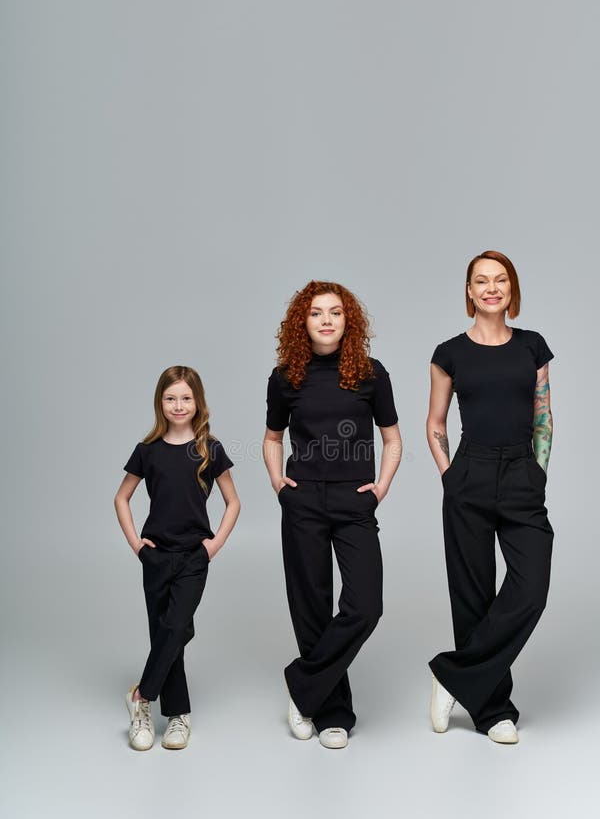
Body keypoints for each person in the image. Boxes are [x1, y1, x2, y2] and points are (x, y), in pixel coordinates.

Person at [263, 280, 402, 749]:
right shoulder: (286, 377)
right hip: (303, 501)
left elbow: (392, 438)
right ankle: (331, 712)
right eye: (317, 312)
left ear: (349, 321)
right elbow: (271, 438)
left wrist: (379, 487)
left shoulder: (371, 374)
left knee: (366, 604)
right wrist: (279, 483)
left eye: (336, 312)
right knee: (311, 605)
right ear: (302, 322)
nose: (326, 319)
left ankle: (302, 685)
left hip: (353, 500)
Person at [426, 251, 554, 744]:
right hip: (469, 472)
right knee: (473, 596)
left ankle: (451, 673)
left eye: (500, 280)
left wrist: (537, 473)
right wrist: (450, 476)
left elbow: (543, 416)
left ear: (511, 289)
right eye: (481, 281)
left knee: (531, 587)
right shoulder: (449, 353)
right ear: (469, 292)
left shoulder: (533, 347)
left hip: (522, 472)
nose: (491, 288)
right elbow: (435, 423)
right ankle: (492, 709)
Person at [114, 365, 240, 751]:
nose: (179, 405)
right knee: (166, 633)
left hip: (194, 556)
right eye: (171, 398)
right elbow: (122, 498)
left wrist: (213, 545)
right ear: (160, 403)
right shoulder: (146, 450)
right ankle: (179, 715)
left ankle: (142, 698)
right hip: (155, 555)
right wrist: (137, 545)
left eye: (186, 398)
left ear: (198, 402)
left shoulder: (209, 449)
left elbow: (233, 502)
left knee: (177, 625)